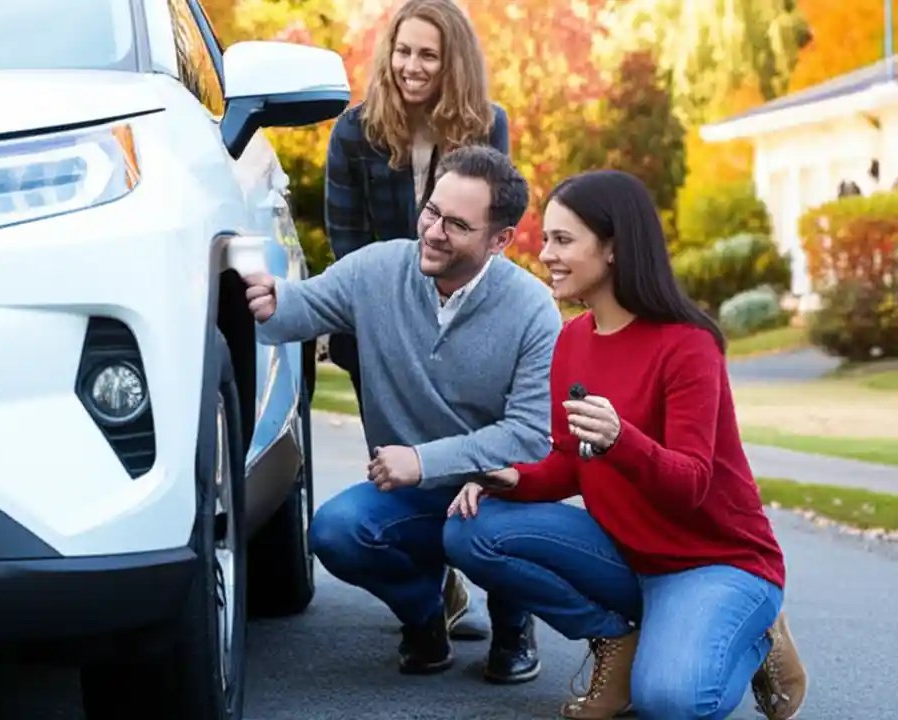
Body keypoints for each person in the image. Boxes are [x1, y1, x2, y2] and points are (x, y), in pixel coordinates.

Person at [441, 169, 809, 720]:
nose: (547, 255)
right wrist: (512, 479)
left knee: (674, 699)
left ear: (613, 248)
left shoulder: (688, 345)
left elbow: (691, 484)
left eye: (564, 240)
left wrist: (621, 439)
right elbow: (570, 462)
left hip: (715, 561)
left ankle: (759, 638)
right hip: (626, 553)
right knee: (471, 530)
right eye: (548, 240)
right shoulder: (571, 341)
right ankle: (617, 637)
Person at [245, 145, 560, 681]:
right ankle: (425, 617)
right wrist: (274, 303)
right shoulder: (378, 269)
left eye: (457, 224)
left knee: (494, 536)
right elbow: (302, 305)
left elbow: (531, 435)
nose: (434, 231)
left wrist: (423, 459)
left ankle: (513, 625)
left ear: (499, 240)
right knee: (336, 530)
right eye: (432, 211)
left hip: (494, 494)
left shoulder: (533, 310)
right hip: (410, 498)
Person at [322, 0, 511, 644]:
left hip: (468, 319)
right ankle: (427, 597)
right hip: (379, 327)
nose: (412, 66)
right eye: (403, 51)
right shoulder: (355, 133)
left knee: (481, 454)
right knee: (399, 464)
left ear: (451, 61)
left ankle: (512, 611)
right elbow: (346, 244)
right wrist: (374, 326)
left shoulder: (487, 126)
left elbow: (488, 231)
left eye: (428, 54)